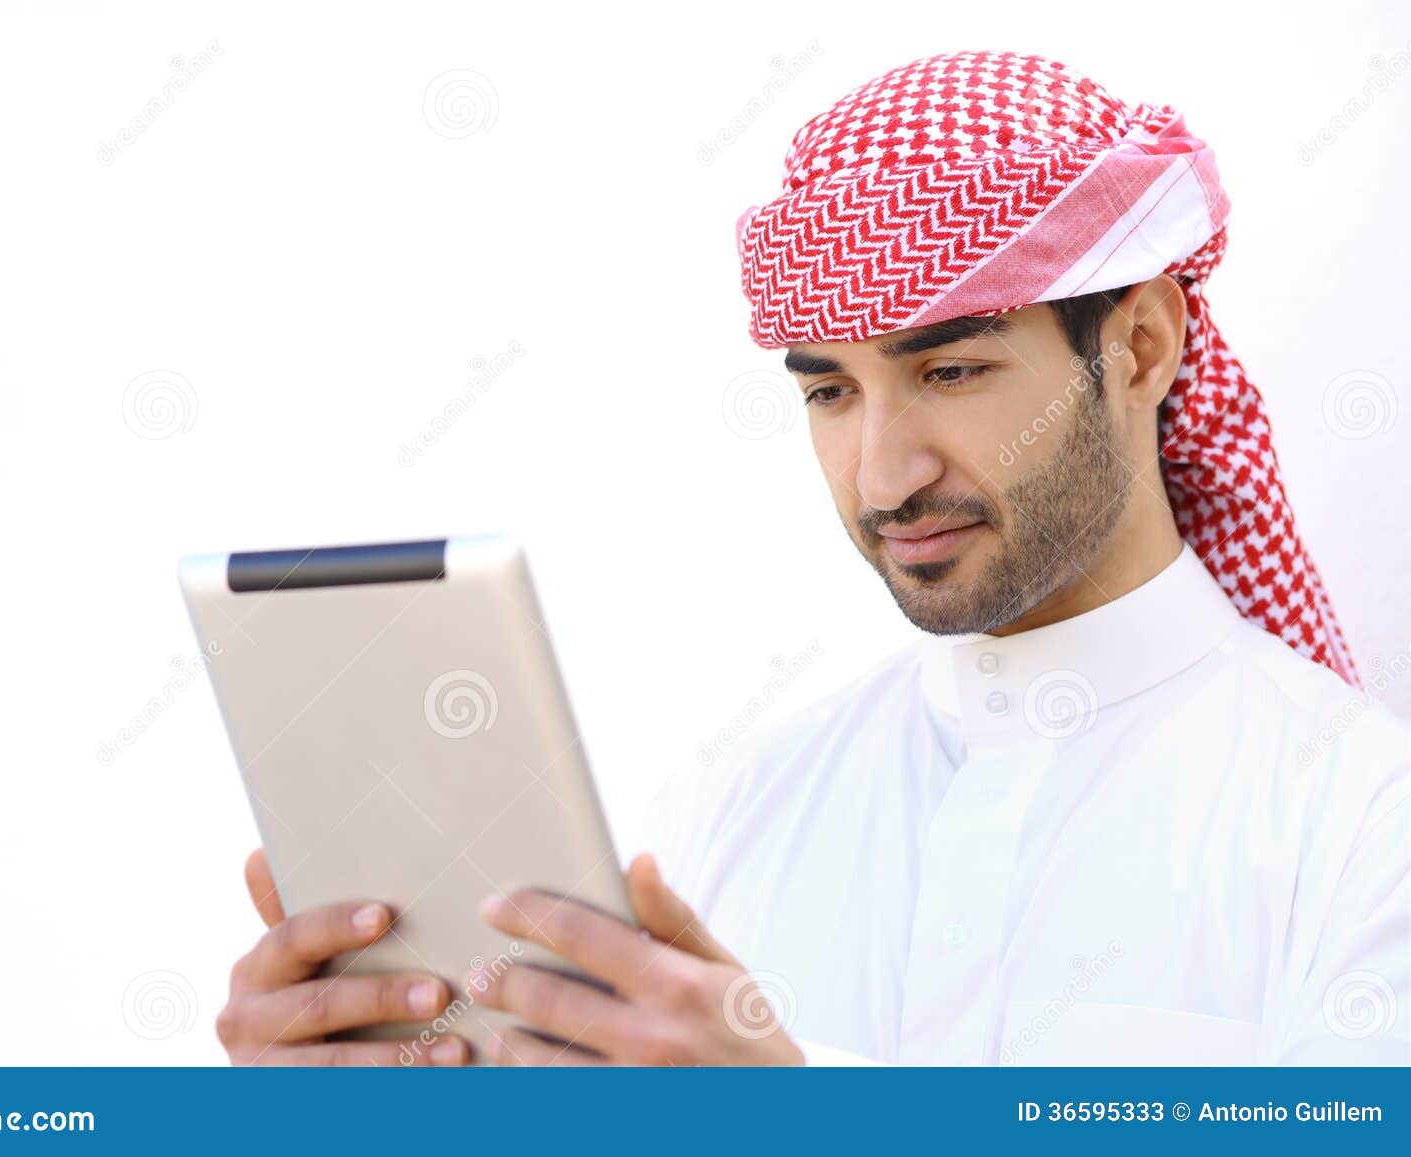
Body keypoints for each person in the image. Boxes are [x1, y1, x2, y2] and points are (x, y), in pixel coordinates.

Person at [214, 50, 1410, 1066]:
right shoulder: (728, 815)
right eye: (831, 390)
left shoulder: (1358, 824)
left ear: (1141, 345)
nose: (884, 477)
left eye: (950, 371)